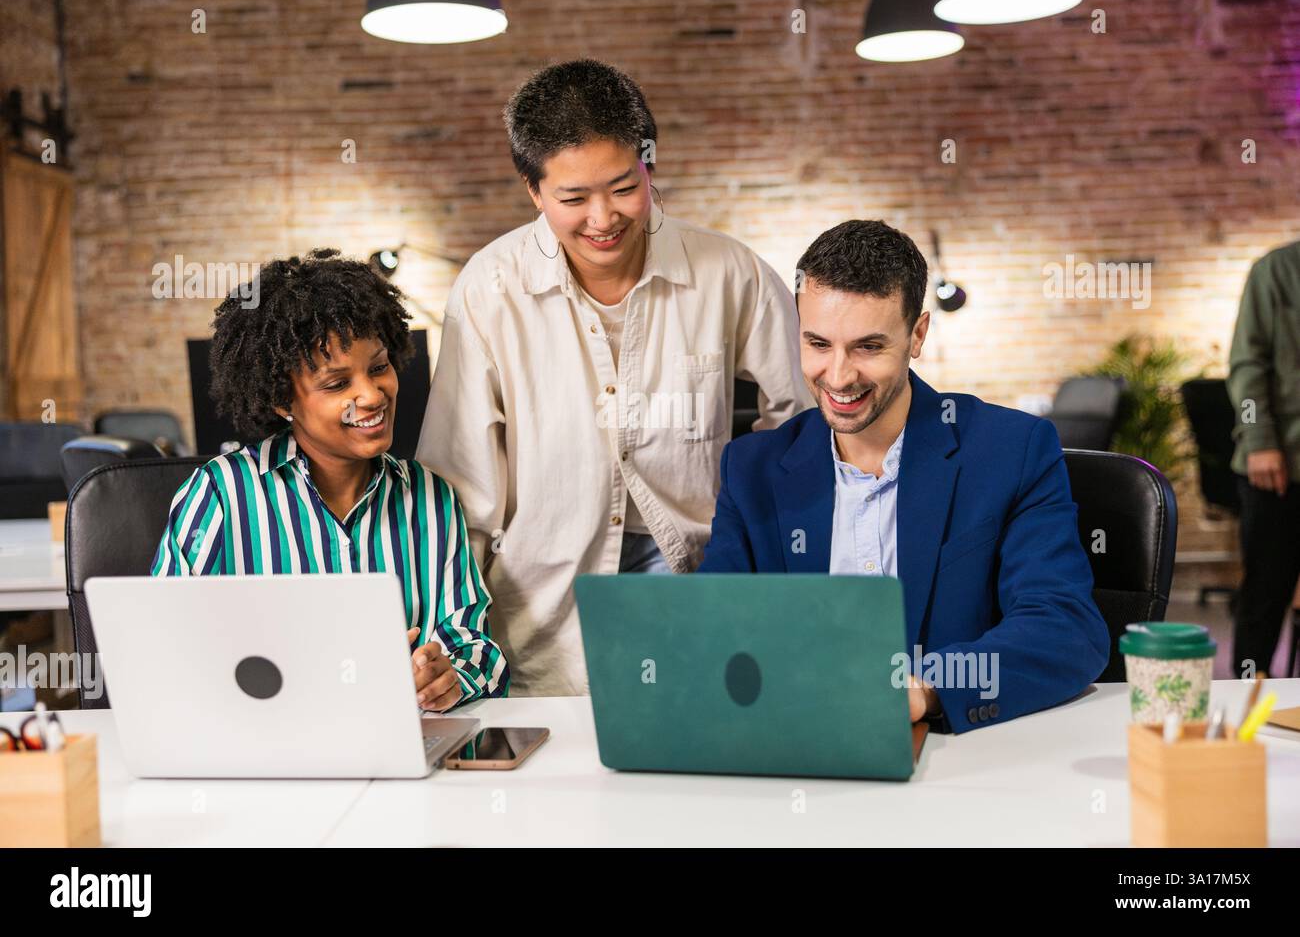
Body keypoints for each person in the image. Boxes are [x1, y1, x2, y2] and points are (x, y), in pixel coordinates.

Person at [418, 59, 811, 695]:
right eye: (573, 198)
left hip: (695, 582)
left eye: (624, 187)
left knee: (687, 754)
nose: (603, 218)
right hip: (543, 597)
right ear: (534, 192)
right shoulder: (490, 289)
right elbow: (462, 476)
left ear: (648, 164)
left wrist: (755, 524)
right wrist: (453, 633)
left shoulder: (728, 272)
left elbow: (800, 414)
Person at [698, 220, 1110, 732]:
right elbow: (712, 630)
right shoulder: (752, 469)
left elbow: (1067, 630)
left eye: (869, 347)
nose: (839, 375)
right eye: (818, 344)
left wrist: (926, 691)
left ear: (917, 335)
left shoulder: (1011, 451)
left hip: (956, 759)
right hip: (796, 748)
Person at [152, 249, 508, 711]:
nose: (372, 394)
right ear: (283, 401)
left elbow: (475, 646)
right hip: (265, 746)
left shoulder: (428, 497)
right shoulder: (221, 495)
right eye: (337, 384)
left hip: (404, 747)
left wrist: (449, 677)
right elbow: (163, 646)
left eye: (378, 367)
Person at [1227, 239, 1300, 678]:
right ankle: (1245, 691)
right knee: (1265, 594)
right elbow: (1247, 363)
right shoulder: (1275, 271)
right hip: (1280, 465)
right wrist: (1260, 441)